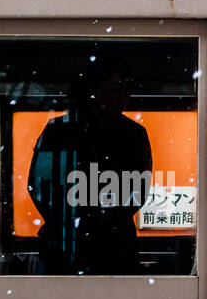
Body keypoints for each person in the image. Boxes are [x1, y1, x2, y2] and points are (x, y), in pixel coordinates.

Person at [28, 56, 153, 274]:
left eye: (126, 88)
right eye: (116, 88)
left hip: (76, 242)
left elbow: (40, 186)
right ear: (93, 90)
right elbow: (39, 185)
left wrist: (73, 218)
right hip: (109, 244)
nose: (123, 96)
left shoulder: (60, 129)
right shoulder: (132, 134)